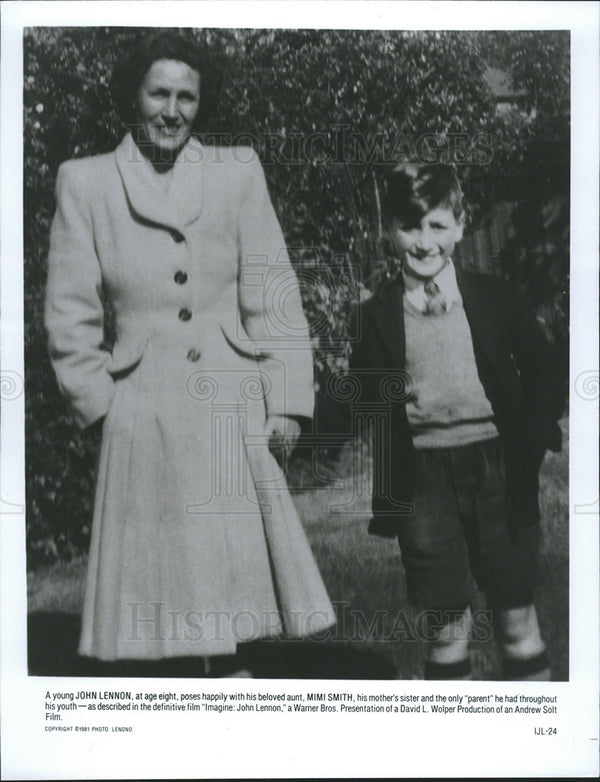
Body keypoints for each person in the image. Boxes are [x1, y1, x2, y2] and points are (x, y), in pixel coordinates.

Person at [45, 31, 334, 670]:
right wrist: (104, 410)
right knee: (162, 615)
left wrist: (285, 401)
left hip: (232, 409)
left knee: (239, 609)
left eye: (187, 96)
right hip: (142, 418)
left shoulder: (236, 174)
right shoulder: (86, 184)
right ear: (133, 98)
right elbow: (70, 317)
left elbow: (274, 295)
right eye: (159, 94)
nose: (172, 110)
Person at [343, 162, 564, 680]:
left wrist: (531, 438)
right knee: (445, 625)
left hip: (498, 469)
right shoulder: (375, 314)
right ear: (388, 231)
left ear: (461, 225)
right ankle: (457, 747)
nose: (423, 242)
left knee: (516, 613)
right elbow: (359, 397)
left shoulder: (496, 297)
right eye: (409, 226)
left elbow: (546, 369)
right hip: (422, 481)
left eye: (437, 225)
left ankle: (535, 743)